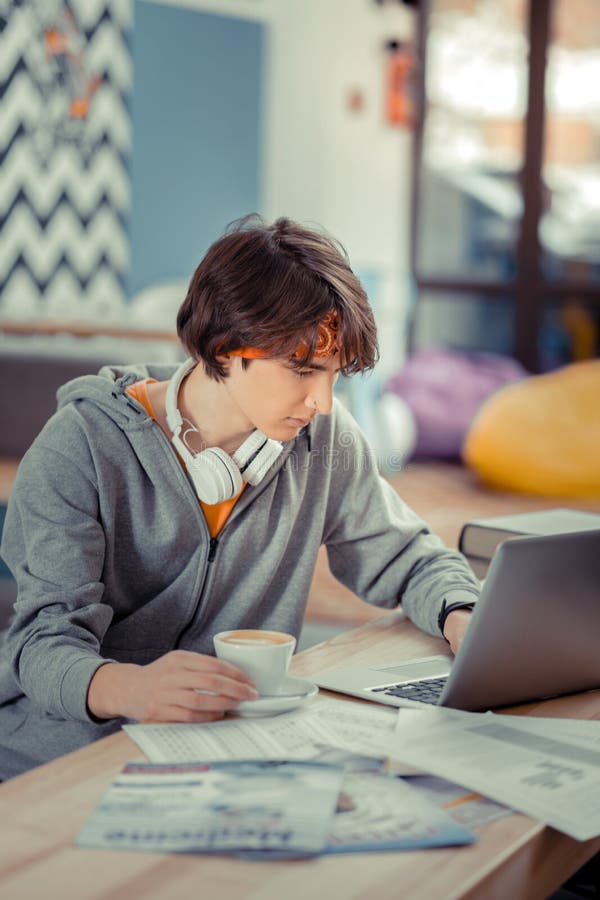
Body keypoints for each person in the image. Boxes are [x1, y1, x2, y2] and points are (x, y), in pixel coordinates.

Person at [0, 215, 479, 779]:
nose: (322, 403)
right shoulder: (80, 446)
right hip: (66, 757)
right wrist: (134, 688)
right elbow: (40, 644)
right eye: (302, 371)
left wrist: (463, 614)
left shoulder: (321, 437)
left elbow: (407, 556)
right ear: (226, 347)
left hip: (228, 749)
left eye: (333, 376)